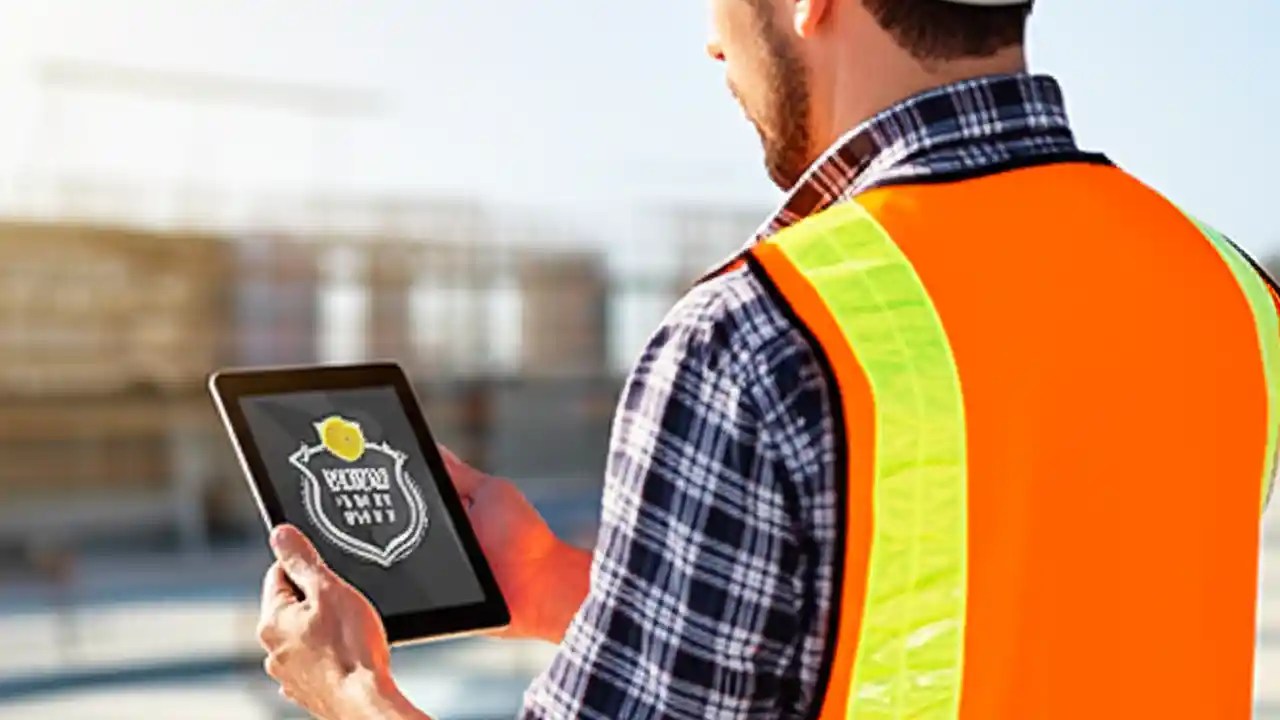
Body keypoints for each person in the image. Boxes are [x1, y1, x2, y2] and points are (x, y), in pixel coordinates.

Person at [255, 0, 1279, 717]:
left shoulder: (759, 331)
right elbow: (1025, 613)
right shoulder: (1227, 288)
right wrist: (556, 584)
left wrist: (349, 692)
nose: (710, 40)